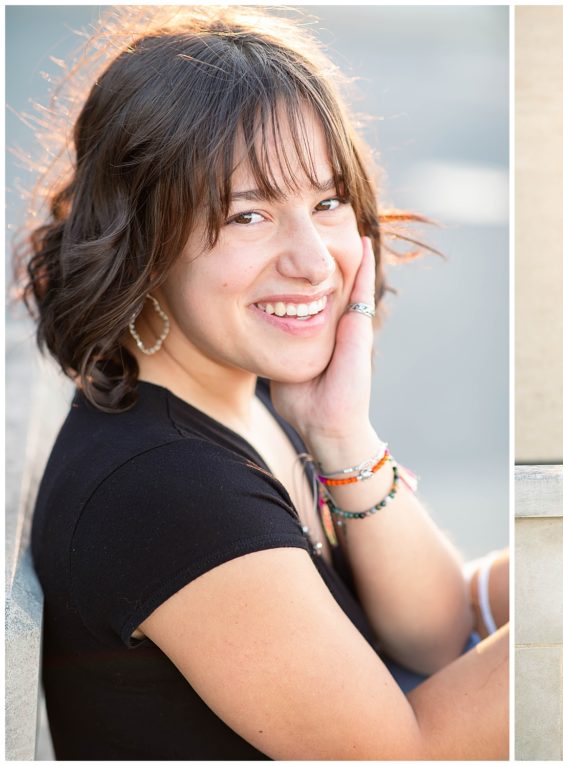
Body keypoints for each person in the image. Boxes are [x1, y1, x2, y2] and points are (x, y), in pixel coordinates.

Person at [16, 7, 507, 759]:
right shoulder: (167, 487)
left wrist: (341, 434)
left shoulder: (250, 399)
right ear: (141, 239)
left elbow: (435, 636)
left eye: (328, 203)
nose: (312, 261)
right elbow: (402, 752)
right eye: (248, 216)